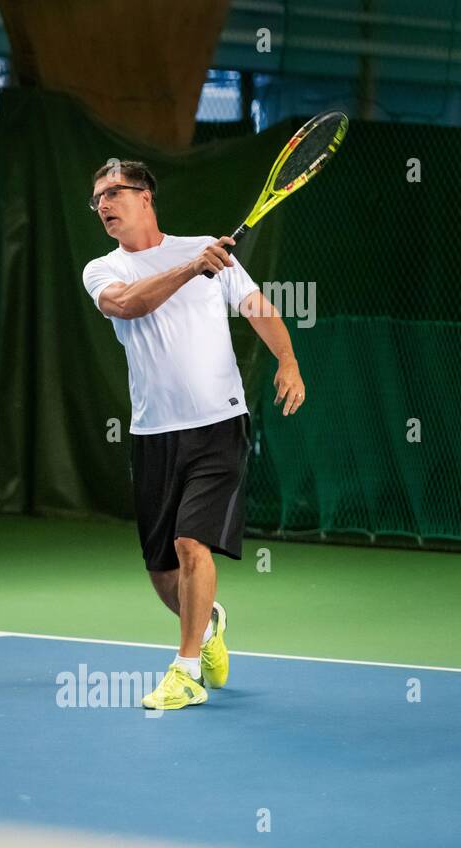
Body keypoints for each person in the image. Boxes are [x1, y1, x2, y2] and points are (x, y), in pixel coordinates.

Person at [80, 160, 305, 710]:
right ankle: (207, 628)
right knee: (162, 573)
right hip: (152, 433)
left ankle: (184, 673)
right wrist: (188, 269)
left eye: (115, 192)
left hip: (218, 424)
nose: (105, 204)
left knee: (190, 544)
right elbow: (128, 305)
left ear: (146, 196)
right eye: (97, 198)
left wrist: (288, 360)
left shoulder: (208, 249)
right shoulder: (100, 269)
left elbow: (256, 307)